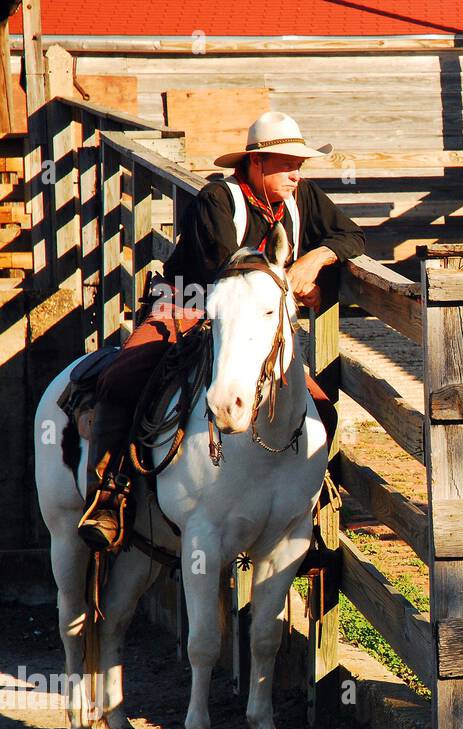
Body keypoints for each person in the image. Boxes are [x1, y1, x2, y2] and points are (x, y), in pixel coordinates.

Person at [77, 111, 364, 552]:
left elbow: (352, 236)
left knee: (320, 406)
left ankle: (298, 508)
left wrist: (318, 257)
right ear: (256, 163)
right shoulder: (217, 198)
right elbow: (230, 271)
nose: (297, 171)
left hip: (247, 317)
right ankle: (111, 494)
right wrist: (288, 279)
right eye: (287, 162)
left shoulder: (301, 196)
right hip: (186, 303)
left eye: (299, 162)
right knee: (122, 378)